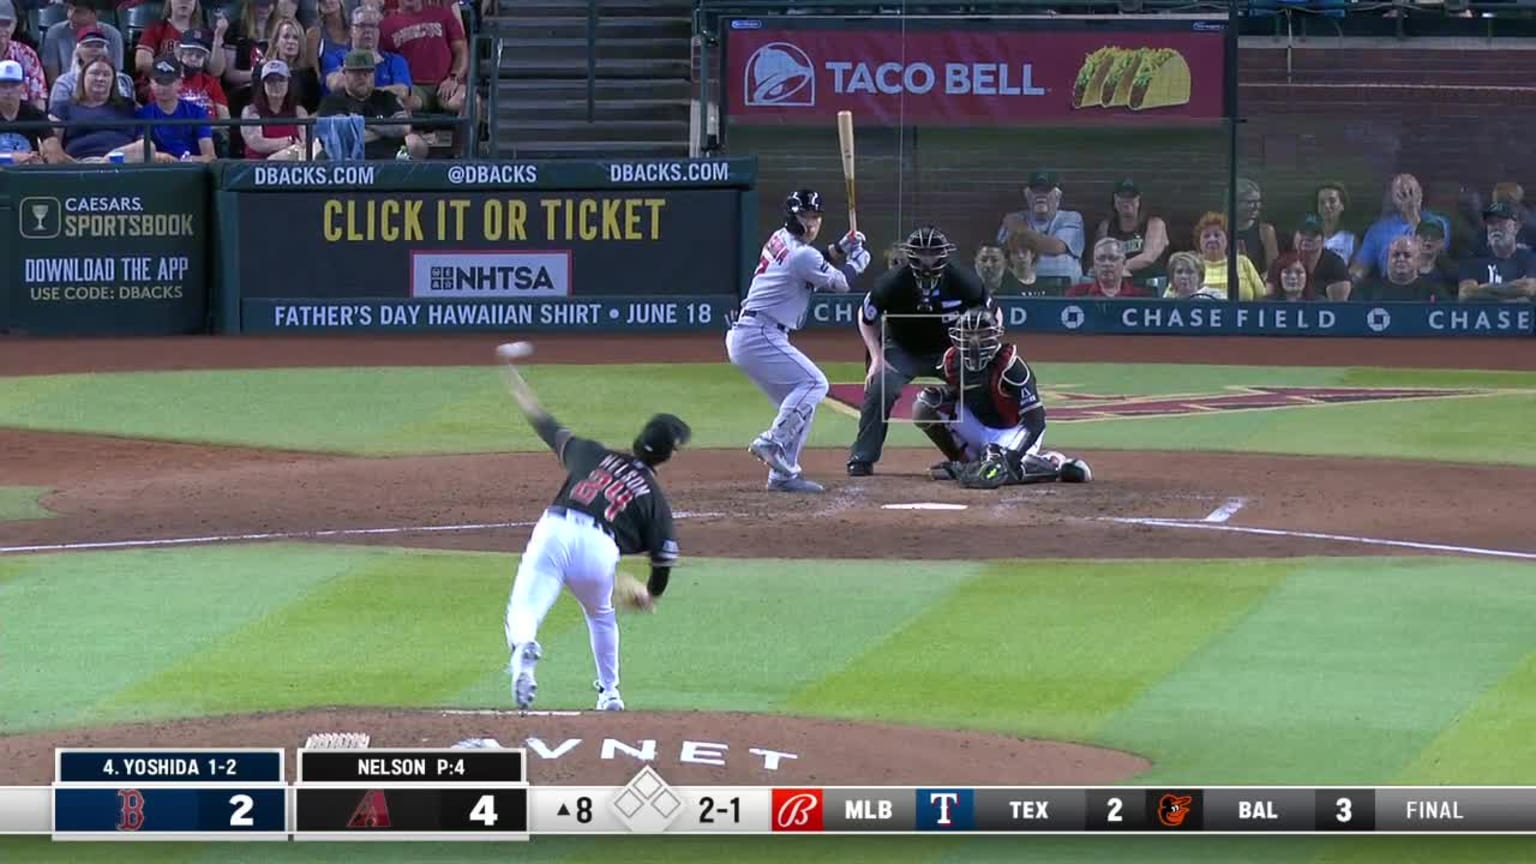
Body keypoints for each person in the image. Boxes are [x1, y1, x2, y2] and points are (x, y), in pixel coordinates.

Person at [497, 351, 689, 713]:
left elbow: (545, 424)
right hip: (598, 548)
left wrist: (515, 382)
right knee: (601, 616)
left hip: (554, 529)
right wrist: (651, 594)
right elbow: (664, 559)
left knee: (524, 610)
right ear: (667, 456)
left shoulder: (591, 454)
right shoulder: (653, 497)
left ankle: (523, 648)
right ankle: (610, 694)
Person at [728, 189, 869, 493]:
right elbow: (840, 283)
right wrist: (858, 262)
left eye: (816, 217)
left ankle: (784, 475)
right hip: (760, 333)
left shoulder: (782, 238)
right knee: (815, 384)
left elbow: (816, 262)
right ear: (793, 218)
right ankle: (771, 441)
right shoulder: (801, 254)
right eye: (806, 216)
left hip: (753, 332)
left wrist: (842, 248)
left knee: (800, 403)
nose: (812, 223)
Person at [846, 225, 988, 477]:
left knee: (980, 384)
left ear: (944, 254)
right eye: (921, 253)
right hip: (901, 348)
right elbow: (866, 318)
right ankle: (862, 456)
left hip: (950, 349)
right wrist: (877, 358)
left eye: (933, 253)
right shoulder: (892, 282)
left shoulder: (962, 280)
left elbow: (990, 312)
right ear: (910, 255)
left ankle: (985, 452)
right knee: (880, 386)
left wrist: (981, 347)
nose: (927, 260)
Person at [914, 306, 1092, 487]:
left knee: (1000, 470)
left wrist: (1011, 458)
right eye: (968, 335)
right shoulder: (951, 361)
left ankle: (1053, 465)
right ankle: (965, 464)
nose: (974, 342)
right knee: (925, 404)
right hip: (978, 424)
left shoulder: (1010, 366)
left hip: (1013, 429)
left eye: (982, 335)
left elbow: (1036, 420)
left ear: (995, 335)